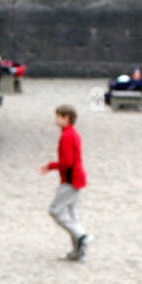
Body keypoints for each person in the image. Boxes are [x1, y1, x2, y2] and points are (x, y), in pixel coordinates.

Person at [40, 104, 91, 260]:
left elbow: (67, 161)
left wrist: (50, 166)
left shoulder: (67, 135)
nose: (56, 120)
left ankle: (81, 236)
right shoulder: (72, 133)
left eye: (59, 117)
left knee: (55, 210)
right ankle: (78, 251)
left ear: (66, 118)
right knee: (71, 214)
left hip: (71, 179)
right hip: (76, 177)